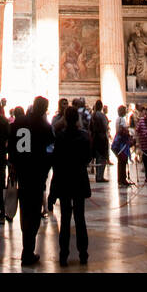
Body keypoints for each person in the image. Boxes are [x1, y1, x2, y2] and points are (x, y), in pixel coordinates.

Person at [11, 95, 54, 266]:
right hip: (36, 174)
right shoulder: (44, 126)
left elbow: (12, 146)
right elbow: (51, 150)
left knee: (24, 211)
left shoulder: (19, 121)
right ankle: (28, 250)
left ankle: (26, 247)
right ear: (44, 109)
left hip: (22, 172)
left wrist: (13, 166)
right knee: (35, 213)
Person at [52, 104, 91, 266]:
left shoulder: (60, 137)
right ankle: (83, 254)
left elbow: (56, 161)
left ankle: (63, 255)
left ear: (65, 119)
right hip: (79, 180)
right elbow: (88, 158)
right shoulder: (84, 136)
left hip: (65, 181)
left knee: (65, 218)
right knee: (80, 218)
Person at [90, 100, 109, 183]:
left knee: (97, 157)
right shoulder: (101, 115)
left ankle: (98, 175)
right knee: (102, 157)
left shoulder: (93, 115)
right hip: (101, 137)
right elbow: (105, 126)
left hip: (95, 138)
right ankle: (100, 176)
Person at [112, 105, 131, 187]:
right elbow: (121, 130)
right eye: (123, 110)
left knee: (121, 161)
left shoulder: (118, 119)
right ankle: (122, 179)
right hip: (121, 143)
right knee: (122, 160)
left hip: (120, 141)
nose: (125, 112)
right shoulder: (121, 119)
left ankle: (122, 179)